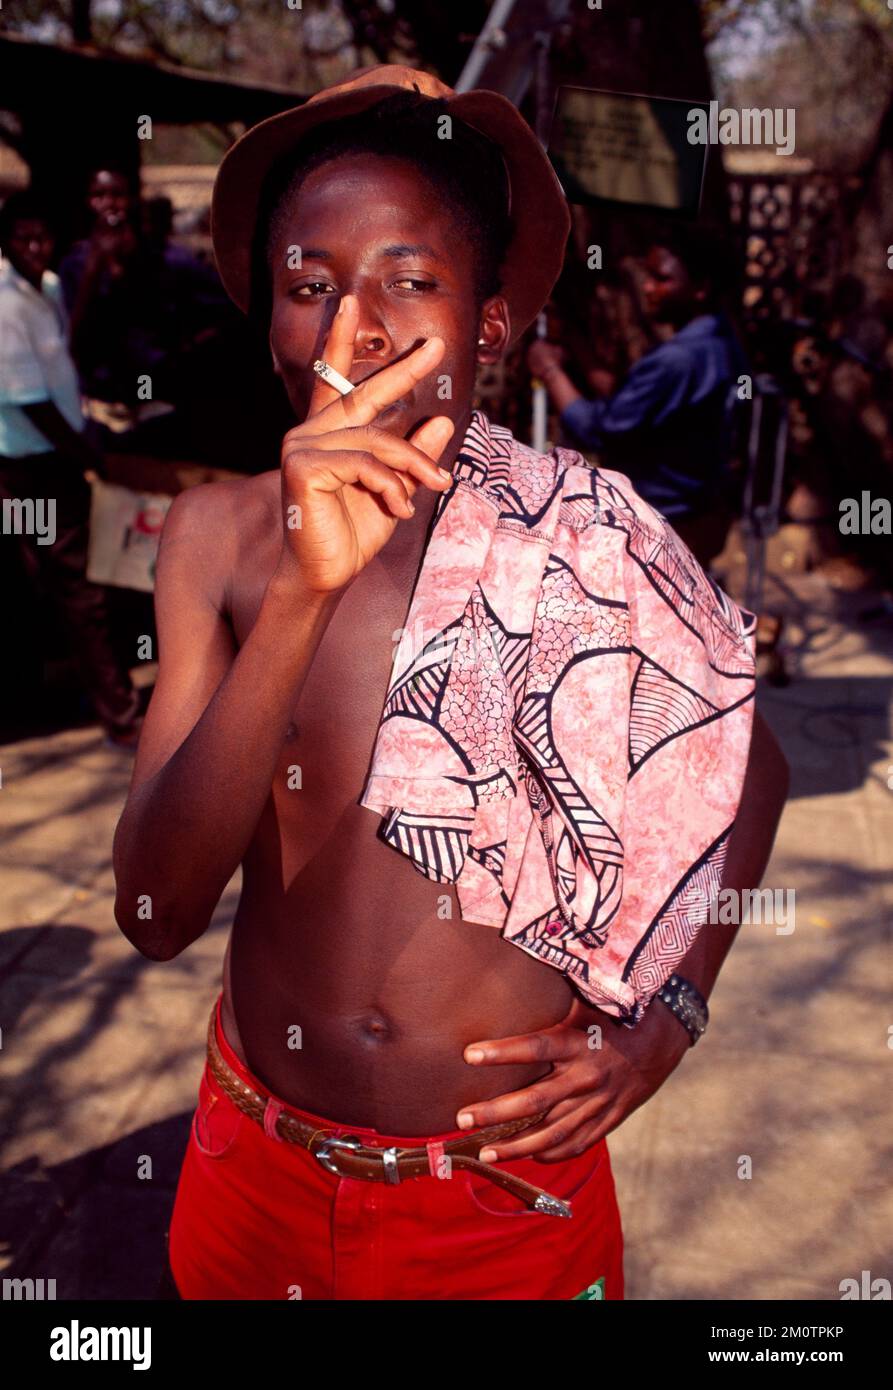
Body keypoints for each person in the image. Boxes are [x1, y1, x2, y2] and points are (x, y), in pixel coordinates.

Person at [113, 66, 789, 1301]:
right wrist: (303, 598)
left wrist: (663, 1023)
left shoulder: (589, 535)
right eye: (308, 284)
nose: (352, 329)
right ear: (268, 313)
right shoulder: (216, 536)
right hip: (259, 1177)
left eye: (410, 280)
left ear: (488, 319)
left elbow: (750, 769)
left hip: (501, 1202)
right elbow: (155, 912)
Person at [0, 192, 143, 747]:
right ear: (7, 244)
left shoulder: (51, 286)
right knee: (76, 587)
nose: (35, 248)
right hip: (29, 470)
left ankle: (76, 693)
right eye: (23, 239)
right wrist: (93, 458)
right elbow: (29, 402)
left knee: (63, 584)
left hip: (56, 458)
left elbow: (66, 344)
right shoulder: (6, 305)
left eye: (43, 237)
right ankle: (120, 714)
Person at [529, 224, 749, 571]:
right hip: (700, 512)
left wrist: (550, 372)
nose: (648, 289)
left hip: (664, 522)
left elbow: (599, 430)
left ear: (701, 288)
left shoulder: (679, 359)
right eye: (648, 277)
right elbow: (649, 407)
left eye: (662, 279)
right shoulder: (720, 339)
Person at [59, 166, 230, 461]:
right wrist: (95, 266)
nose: (109, 204)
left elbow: (223, 304)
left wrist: (189, 349)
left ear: (132, 200)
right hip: (102, 404)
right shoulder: (76, 264)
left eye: (117, 195)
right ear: (88, 202)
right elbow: (70, 341)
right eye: (99, 195)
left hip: (160, 400)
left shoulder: (165, 259)